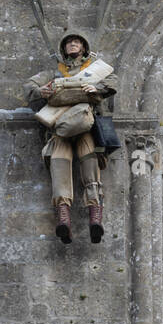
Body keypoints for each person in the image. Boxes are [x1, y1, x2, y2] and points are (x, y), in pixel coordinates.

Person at [22, 31, 117, 244]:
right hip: (60, 127)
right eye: (68, 43)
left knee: (90, 165)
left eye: (76, 42)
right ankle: (63, 220)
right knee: (59, 165)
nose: (72, 45)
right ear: (63, 48)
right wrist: (43, 91)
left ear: (83, 46)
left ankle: (95, 219)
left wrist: (97, 88)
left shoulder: (94, 67)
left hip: (86, 128)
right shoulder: (55, 71)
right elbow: (29, 86)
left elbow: (113, 80)